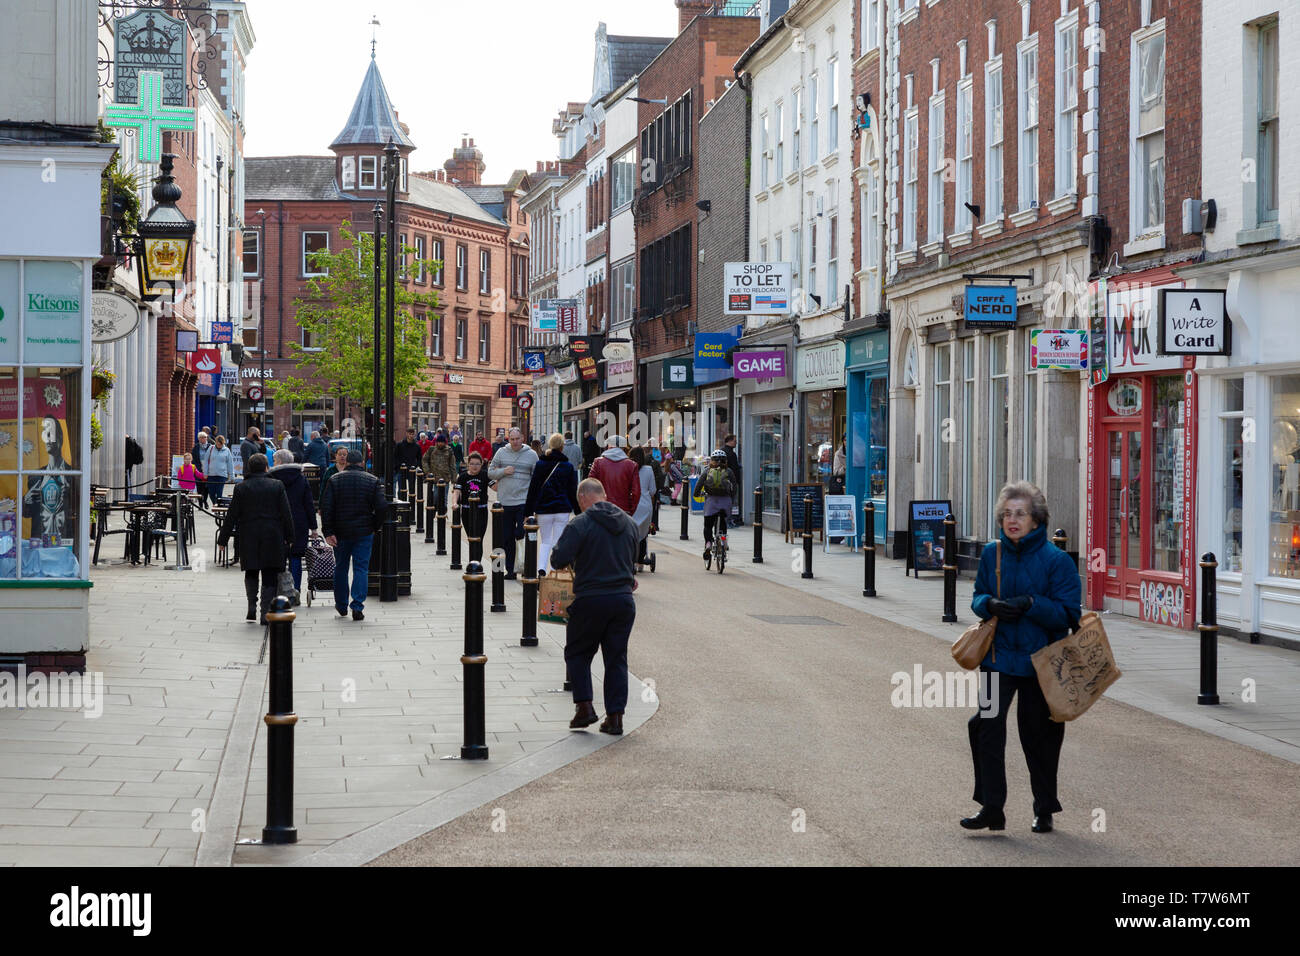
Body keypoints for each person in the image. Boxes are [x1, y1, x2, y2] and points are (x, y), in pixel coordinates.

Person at [963, 480, 1082, 835]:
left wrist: (1031, 604)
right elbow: (977, 596)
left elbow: (1068, 615)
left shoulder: (1057, 561)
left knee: (1040, 736)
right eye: (1007, 514)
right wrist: (989, 605)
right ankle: (991, 807)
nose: (1012, 520)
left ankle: (1044, 807)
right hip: (996, 658)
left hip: (1041, 662)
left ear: (1036, 520)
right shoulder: (991, 554)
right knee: (985, 728)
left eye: (1021, 514)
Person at [550, 478, 639, 736]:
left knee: (577, 654)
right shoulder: (629, 523)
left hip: (590, 598)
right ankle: (615, 717)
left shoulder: (580, 524)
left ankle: (585, 707)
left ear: (583, 499)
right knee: (616, 659)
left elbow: (558, 559)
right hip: (623, 601)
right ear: (604, 494)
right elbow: (633, 557)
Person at [216, 453, 294, 624]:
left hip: (249, 535)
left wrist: (223, 539)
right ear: (267, 467)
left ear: (249, 468)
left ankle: (252, 605)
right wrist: (290, 536)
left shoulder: (242, 487)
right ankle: (265, 612)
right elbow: (286, 513)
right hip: (272, 536)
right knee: (269, 573)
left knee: (251, 570)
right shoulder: (277, 485)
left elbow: (232, 515)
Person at [319, 449, 388, 621]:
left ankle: (341, 605)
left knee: (341, 567)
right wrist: (374, 526)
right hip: (364, 531)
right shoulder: (372, 481)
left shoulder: (335, 480)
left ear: (347, 462)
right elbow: (382, 507)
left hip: (340, 533)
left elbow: (326, 508)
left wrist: (328, 532)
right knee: (361, 568)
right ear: (362, 463)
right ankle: (357, 605)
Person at [487, 427, 539, 580]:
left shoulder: (531, 455)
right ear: (508, 439)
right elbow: (490, 472)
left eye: (517, 439)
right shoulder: (501, 452)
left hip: (523, 501)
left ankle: (524, 566)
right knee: (506, 537)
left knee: (521, 534)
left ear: (523, 438)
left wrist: (534, 504)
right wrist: (503, 471)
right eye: (512, 439)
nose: (515, 442)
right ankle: (510, 570)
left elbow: (536, 479)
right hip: (505, 502)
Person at [524, 433, 580, 574]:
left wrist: (528, 512)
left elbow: (533, 489)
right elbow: (572, 491)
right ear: (562, 447)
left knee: (545, 541)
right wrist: (579, 512)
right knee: (557, 542)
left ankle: (541, 568)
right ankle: (554, 570)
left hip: (544, 509)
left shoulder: (540, 464)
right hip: (562, 508)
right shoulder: (568, 467)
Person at [269, 449, 317, 596]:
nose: (274, 463)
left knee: (278, 558)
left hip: (277, 522)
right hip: (299, 522)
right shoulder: (301, 478)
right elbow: (308, 503)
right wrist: (313, 527)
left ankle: (280, 590)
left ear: (281, 462)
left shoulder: (272, 478)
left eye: (275, 460)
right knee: (296, 557)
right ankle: (295, 590)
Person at [699, 448, 737, 567]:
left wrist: (696, 494)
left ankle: (708, 544)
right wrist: (731, 498)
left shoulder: (707, 470)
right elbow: (734, 487)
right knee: (723, 522)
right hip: (725, 502)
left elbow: (699, 484)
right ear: (725, 460)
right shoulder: (729, 471)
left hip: (711, 501)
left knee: (708, 525)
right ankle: (723, 541)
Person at [589, 437, 640, 517]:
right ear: (623, 447)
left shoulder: (598, 462)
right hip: (623, 509)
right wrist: (630, 510)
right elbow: (636, 493)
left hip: (602, 508)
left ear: (609, 446)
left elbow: (590, 486)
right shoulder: (632, 465)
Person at [452, 451, 491, 545]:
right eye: (472, 463)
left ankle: (477, 559)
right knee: (471, 538)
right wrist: (454, 503)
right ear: (468, 464)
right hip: (467, 510)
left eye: (477, 464)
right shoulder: (462, 476)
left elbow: (495, 487)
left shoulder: (485, 475)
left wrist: (501, 474)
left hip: (481, 510)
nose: (475, 466)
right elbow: (456, 491)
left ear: (481, 464)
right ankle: (473, 559)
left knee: (479, 539)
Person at [628, 446, 655, 566]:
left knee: (629, 532)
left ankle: (629, 557)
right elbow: (653, 490)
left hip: (630, 503)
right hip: (645, 505)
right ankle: (640, 559)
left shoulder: (627, 468)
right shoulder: (649, 470)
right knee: (643, 534)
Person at [421, 433, 457, 510]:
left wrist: (454, 480)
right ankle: (434, 510)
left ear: (445, 442)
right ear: (436, 442)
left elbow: (452, 465)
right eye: (439, 442)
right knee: (435, 497)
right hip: (434, 478)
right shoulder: (432, 449)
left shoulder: (449, 451)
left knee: (444, 498)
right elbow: (424, 460)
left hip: (445, 478)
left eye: (442, 442)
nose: (440, 443)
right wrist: (427, 472)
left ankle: (443, 513)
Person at [204, 435, 233, 506]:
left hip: (222, 475)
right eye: (218, 444)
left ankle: (218, 507)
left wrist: (231, 475)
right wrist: (205, 472)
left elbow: (230, 463)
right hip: (211, 475)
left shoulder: (227, 450)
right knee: (211, 493)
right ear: (216, 442)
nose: (219, 445)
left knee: (219, 493)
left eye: (221, 444)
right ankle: (215, 504)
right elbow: (206, 461)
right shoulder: (211, 448)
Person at [394, 427, 422, 496]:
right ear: (406, 434)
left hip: (411, 470)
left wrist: (416, 466)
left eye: (412, 434)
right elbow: (395, 456)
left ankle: (410, 505)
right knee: (401, 490)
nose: (411, 436)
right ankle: (401, 504)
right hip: (401, 469)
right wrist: (398, 467)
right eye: (410, 434)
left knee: (412, 490)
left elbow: (419, 458)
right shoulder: (400, 445)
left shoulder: (417, 446)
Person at [723, 434, 743, 526]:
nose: (736, 443)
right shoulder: (732, 454)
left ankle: (724, 520)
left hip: (722, 481)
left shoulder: (721, 451)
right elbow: (734, 469)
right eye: (735, 441)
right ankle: (729, 521)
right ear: (729, 441)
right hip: (731, 482)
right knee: (730, 502)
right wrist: (737, 482)